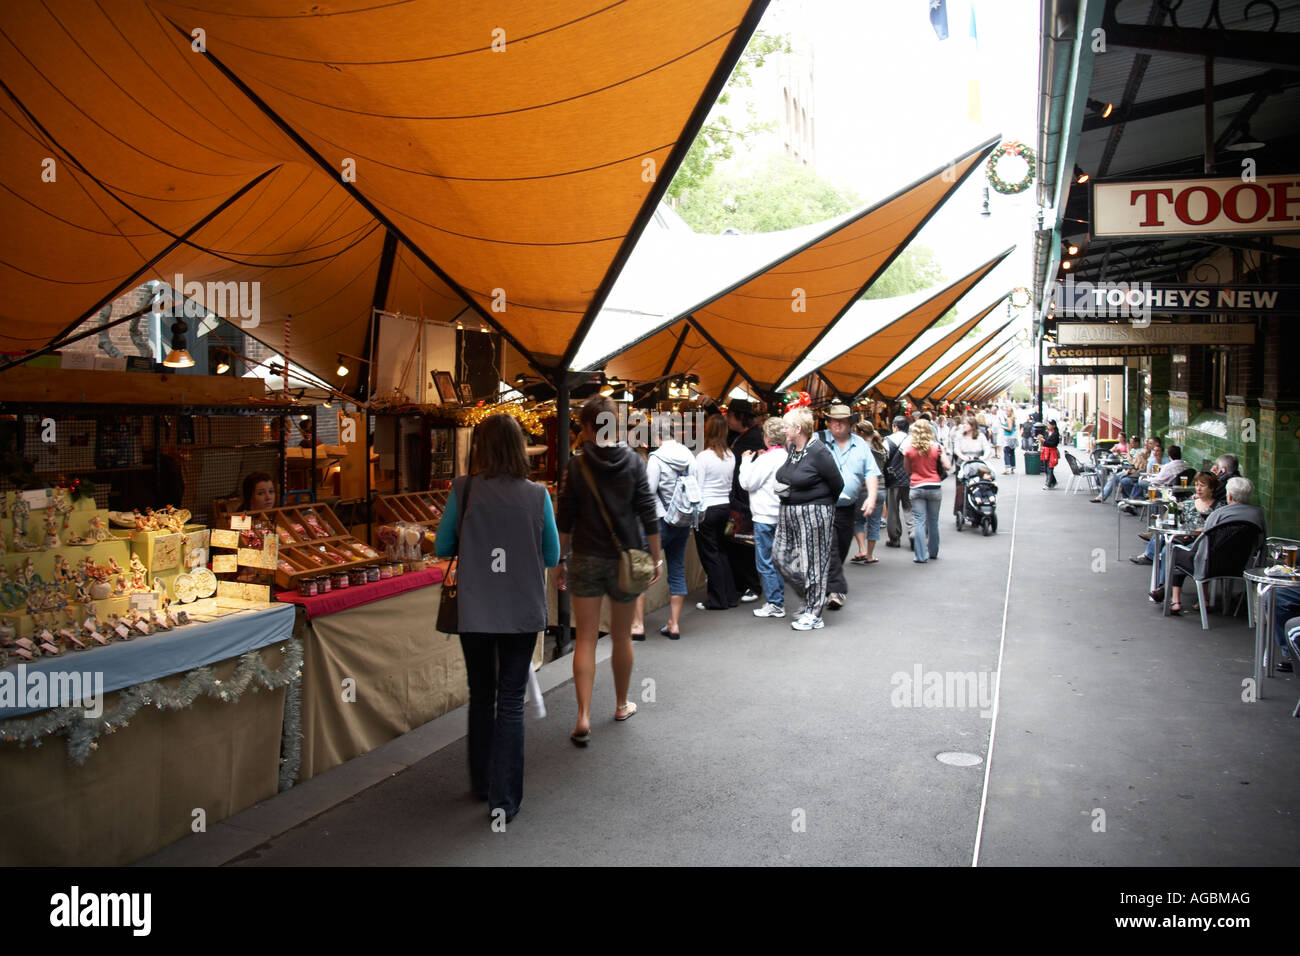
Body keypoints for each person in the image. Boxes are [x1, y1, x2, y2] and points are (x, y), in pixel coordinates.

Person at [434, 414, 559, 823]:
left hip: (475, 609)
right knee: (510, 701)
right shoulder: (537, 494)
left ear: (479, 448)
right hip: (521, 610)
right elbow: (553, 555)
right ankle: (504, 799)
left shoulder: (464, 490)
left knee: (482, 694)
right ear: (519, 446)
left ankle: (482, 783)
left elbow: (442, 546)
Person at [555, 395, 662, 747]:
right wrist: (656, 558)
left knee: (585, 637)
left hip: (585, 556)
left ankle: (583, 715)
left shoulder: (576, 465)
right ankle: (620, 704)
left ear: (585, 427)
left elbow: (565, 517)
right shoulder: (634, 461)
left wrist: (560, 559)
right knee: (621, 636)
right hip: (626, 560)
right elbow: (648, 511)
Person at [773, 406, 843, 630]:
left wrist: (820, 503)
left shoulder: (819, 452)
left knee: (814, 562)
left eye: (786, 426)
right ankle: (811, 597)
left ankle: (814, 613)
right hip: (789, 511)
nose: (783, 429)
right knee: (779, 555)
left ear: (798, 428)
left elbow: (837, 484)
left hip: (814, 512)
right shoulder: (794, 449)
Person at [1152, 476, 1265, 614]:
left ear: (1229, 496)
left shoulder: (1217, 514)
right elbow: (1261, 543)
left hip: (1211, 565)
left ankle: (1174, 598)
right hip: (1242, 564)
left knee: (1174, 552)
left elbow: (1204, 546)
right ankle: (1200, 599)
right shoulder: (1258, 514)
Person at [818, 405, 880, 611]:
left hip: (847, 506)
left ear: (850, 423)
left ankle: (829, 582)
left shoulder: (860, 444)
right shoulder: (818, 441)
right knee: (830, 545)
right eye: (833, 420)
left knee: (842, 546)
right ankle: (835, 589)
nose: (837, 424)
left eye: (842, 420)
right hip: (823, 504)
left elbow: (871, 472)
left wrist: (871, 497)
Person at [643, 413, 695, 639]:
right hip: (683, 521)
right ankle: (674, 624)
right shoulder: (688, 455)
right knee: (677, 569)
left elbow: (648, 492)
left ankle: (636, 625)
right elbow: (694, 488)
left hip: (661, 521)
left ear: (656, 434)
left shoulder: (656, 458)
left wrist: (660, 513)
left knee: (642, 567)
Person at [739, 416, 789, 619]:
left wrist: (745, 462)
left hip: (765, 515)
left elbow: (747, 483)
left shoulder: (767, 459)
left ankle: (775, 603)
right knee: (778, 560)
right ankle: (778, 599)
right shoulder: (786, 456)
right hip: (783, 514)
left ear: (767, 438)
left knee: (765, 561)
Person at [1131, 470, 1219, 576]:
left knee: (1168, 547)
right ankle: (1162, 586)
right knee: (1165, 545)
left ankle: (1150, 557)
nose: (1198, 489)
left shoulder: (1219, 508)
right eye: (1196, 485)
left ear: (1212, 488)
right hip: (1183, 538)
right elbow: (1176, 521)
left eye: (1202, 486)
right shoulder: (1189, 503)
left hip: (1201, 543)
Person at [692, 414, 738, 611]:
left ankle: (717, 598)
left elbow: (697, 487)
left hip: (707, 509)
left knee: (709, 555)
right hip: (724, 506)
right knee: (721, 551)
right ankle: (729, 595)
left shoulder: (703, 457)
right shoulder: (730, 455)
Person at [725, 400, 766, 603]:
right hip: (740, 498)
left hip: (745, 499)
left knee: (744, 543)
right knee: (739, 542)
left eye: (730, 416)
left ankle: (752, 585)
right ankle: (743, 583)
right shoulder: (742, 435)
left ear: (739, 417)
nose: (727, 420)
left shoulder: (752, 439)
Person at [903, 419, 950, 564]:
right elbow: (947, 466)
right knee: (933, 521)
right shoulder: (937, 447)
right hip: (934, 486)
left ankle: (920, 555)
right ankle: (933, 551)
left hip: (916, 487)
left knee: (919, 521)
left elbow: (907, 470)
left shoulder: (909, 449)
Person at [851, 422, 888, 565]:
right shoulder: (881, 446)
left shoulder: (860, 447)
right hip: (880, 488)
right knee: (874, 522)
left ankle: (862, 549)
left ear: (860, 432)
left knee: (858, 520)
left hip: (863, 488)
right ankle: (870, 555)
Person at [951, 415, 993, 517]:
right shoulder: (960, 436)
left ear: (972, 426)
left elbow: (987, 448)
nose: (964, 426)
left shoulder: (980, 436)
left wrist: (984, 457)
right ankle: (960, 509)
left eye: (966, 424)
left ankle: (976, 507)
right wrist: (962, 456)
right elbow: (956, 449)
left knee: (978, 485)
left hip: (977, 463)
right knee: (961, 488)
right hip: (963, 464)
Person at [883, 415, 913, 549]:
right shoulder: (912, 439)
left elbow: (883, 458)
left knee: (893, 509)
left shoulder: (888, 440)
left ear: (895, 426)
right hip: (910, 478)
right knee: (910, 507)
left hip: (893, 478)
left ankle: (895, 538)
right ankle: (914, 533)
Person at [1039, 420, 1061, 489]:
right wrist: (1041, 439)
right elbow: (1045, 440)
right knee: (1046, 467)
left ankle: (1048, 483)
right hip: (1046, 451)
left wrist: (1044, 441)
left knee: (1050, 467)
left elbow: (1053, 444)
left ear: (1053, 426)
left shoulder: (1056, 434)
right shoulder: (1046, 432)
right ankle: (1053, 481)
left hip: (1052, 452)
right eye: (1048, 425)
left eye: (1049, 425)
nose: (1048, 426)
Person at [1000, 405, 1017, 474]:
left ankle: (1007, 468)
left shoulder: (1009, 419)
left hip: (1008, 437)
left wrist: (1003, 427)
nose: (1006, 412)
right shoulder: (1013, 418)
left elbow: (1009, 429)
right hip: (1013, 436)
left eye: (1007, 411)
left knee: (1006, 452)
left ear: (1010, 412)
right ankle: (1012, 468)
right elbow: (1014, 428)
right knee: (1012, 452)